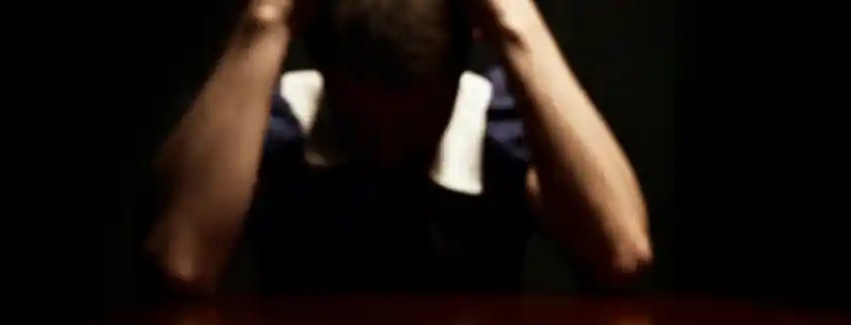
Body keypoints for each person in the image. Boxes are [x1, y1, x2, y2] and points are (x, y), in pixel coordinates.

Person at [146, 0, 651, 294]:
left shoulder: (499, 123)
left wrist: (517, 24)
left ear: (461, 67)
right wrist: (266, 18)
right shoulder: (271, 126)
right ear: (321, 66)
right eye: (361, 126)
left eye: (416, 125)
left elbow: (622, 253)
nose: (388, 156)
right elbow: (182, 261)